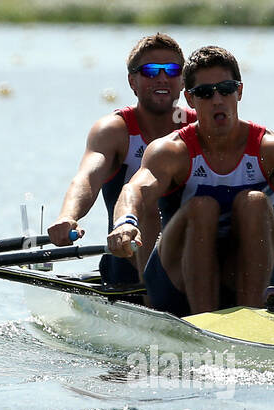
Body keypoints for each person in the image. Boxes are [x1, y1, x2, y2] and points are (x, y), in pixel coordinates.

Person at [108, 45, 274, 316]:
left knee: (255, 201)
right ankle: (206, 319)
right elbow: (136, 190)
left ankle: (251, 317)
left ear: (239, 91)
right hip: (175, 281)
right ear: (190, 100)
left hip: (241, 272)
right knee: (202, 206)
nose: (217, 99)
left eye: (225, 89)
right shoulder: (172, 151)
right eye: (205, 93)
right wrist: (124, 223)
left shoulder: (271, 147)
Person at [46, 33, 196, 286]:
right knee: (148, 199)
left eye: (172, 70)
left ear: (182, 81)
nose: (162, 77)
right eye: (150, 71)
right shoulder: (114, 130)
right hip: (127, 261)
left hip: (192, 254)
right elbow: (87, 178)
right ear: (132, 81)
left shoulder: (200, 125)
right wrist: (67, 216)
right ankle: (155, 294)